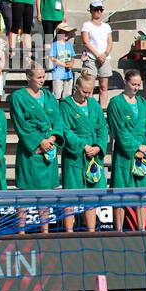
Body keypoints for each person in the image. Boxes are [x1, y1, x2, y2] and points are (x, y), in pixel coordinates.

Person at [9, 64, 64, 219]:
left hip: (49, 148)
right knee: (25, 194)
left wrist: (52, 138)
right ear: (28, 77)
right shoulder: (18, 97)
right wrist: (39, 142)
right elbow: (21, 124)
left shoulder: (49, 96)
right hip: (31, 151)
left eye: (43, 77)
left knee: (46, 194)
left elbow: (58, 121)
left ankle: (45, 231)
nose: (42, 80)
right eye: (39, 77)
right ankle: (21, 231)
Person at [59, 73, 109, 231]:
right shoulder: (65, 105)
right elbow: (65, 130)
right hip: (75, 156)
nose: (88, 95)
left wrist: (99, 146)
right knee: (71, 195)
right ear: (76, 88)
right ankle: (68, 231)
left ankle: (91, 231)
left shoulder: (94, 104)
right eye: (85, 92)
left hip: (93, 154)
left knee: (91, 196)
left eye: (91, 91)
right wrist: (82, 146)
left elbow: (102, 128)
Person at [107, 66, 146, 230]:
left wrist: (144, 148)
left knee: (142, 193)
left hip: (142, 156)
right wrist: (136, 147)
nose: (136, 88)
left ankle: (141, 228)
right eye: (133, 84)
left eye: (138, 84)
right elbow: (119, 131)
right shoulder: (116, 103)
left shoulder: (144, 104)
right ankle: (118, 229)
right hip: (124, 156)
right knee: (121, 193)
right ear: (126, 83)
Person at [80, 0, 115, 105]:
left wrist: (104, 54)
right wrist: (98, 55)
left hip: (105, 59)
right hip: (91, 58)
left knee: (104, 86)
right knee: (89, 86)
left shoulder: (106, 26)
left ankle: (102, 108)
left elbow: (110, 42)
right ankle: (90, 107)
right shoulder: (86, 25)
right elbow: (86, 42)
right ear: (91, 11)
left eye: (100, 9)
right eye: (96, 9)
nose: (98, 11)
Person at [49, 23, 78, 99]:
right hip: (58, 73)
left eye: (67, 32)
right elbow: (53, 58)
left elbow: (73, 57)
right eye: (64, 32)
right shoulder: (55, 44)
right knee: (57, 94)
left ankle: (65, 109)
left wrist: (71, 63)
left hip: (68, 74)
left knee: (67, 95)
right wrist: (64, 64)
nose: (66, 33)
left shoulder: (69, 44)